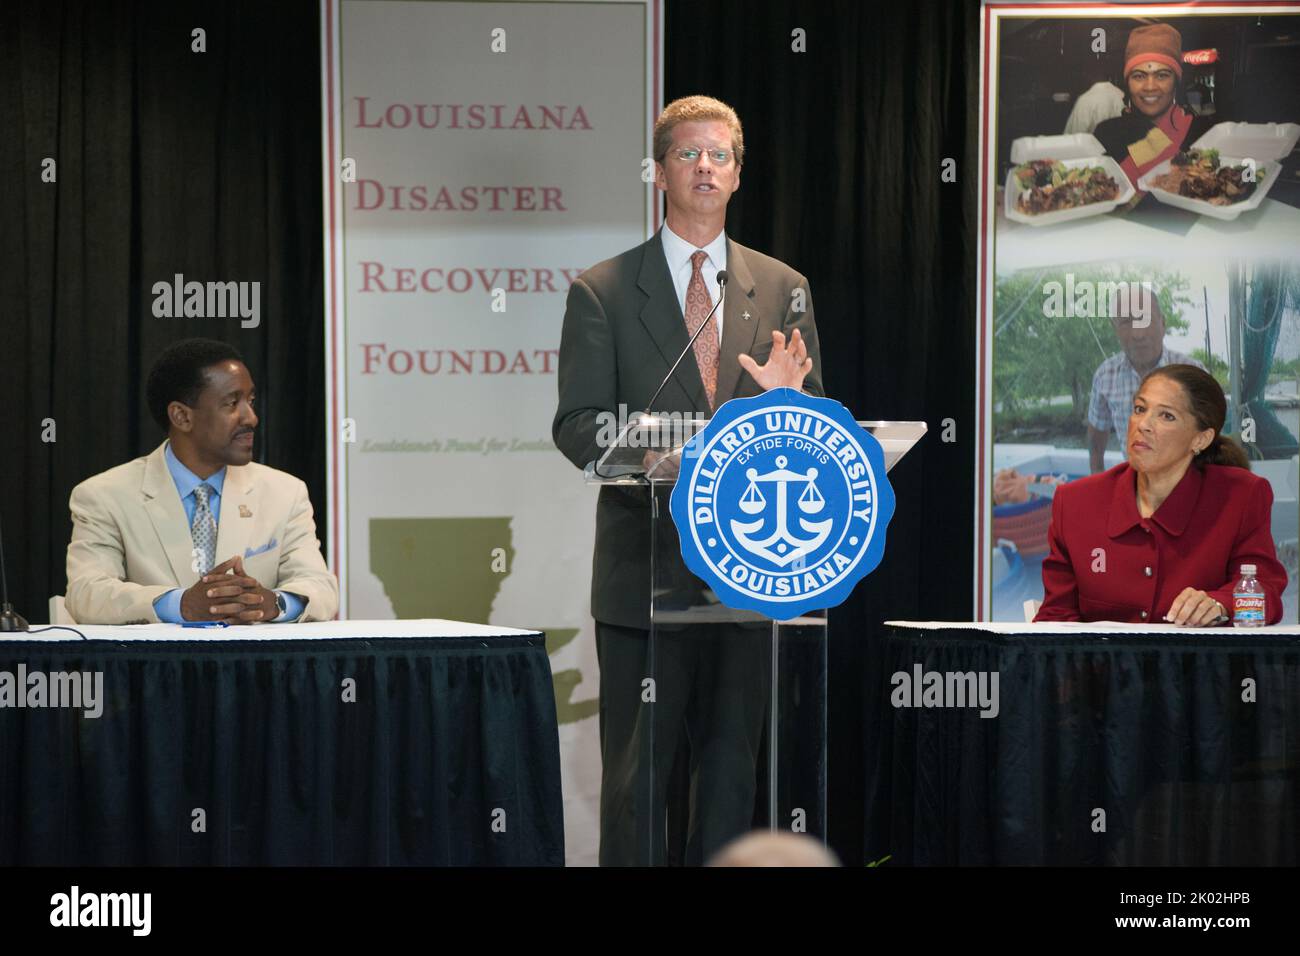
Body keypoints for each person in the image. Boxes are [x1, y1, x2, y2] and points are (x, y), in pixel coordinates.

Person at [552, 95, 823, 865]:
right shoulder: (602, 290)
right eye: (687, 153)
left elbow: (820, 430)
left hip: (750, 571)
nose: (705, 166)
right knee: (639, 785)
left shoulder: (783, 287)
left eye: (720, 155)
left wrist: (787, 405)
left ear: (738, 175)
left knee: (732, 780)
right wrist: (653, 457)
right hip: (645, 577)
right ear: (660, 171)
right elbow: (577, 427)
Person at [65, 338, 338, 625]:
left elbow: (320, 587)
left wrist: (273, 603)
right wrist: (180, 604)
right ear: (182, 416)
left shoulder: (285, 492)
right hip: (154, 667)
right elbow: (86, 593)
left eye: (251, 401)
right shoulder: (104, 495)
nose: (252, 417)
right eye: (232, 403)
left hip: (251, 667)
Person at [1036, 364, 1286, 625]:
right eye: (1139, 409)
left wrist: (1219, 603)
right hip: (1103, 666)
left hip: (1203, 665)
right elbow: (1055, 619)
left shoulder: (1242, 496)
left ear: (1200, 439)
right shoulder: (1075, 502)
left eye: (1166, 416)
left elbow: (1264, 592)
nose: (1142, 425)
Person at [1087, 294, 1204, 474]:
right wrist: (1097, 481)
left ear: (1163, 324)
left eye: (1145, 318)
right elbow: (1096, 439)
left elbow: (1213, 440)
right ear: (1115, 328)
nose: (1138, 334)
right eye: (1126, 322)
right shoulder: (1105, 376)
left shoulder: (1194, 374)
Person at [1093, 24, 1214, 197]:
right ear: (1127, 82)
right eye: (1139, 76)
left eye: (1162, 75)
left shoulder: (1202, 133)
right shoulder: (1107, 134)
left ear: (1176, 81)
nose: (1150, 87)